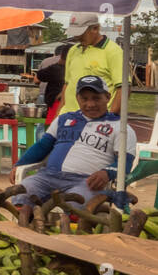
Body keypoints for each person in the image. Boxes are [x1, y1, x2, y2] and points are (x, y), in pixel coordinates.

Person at [9, 76, 136, 206]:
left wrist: (107, 173)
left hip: (85, 182)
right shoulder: (63, 119)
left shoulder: (120, 127)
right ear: (77, 98)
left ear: (108, 97)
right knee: (21, 194)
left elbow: (125, 161)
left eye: (96, 98)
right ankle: (25, 223)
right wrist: (20, 164)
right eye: (84, 99)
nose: (90, 104)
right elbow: (42, 146)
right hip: (47, 177)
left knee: (75, 205)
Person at [61, 20, 123, 115]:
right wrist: (59, 114)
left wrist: (110, 116)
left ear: (95, 28)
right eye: (75, 33)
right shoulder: (73, 50)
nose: (77, 37)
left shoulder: (113, 51)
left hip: (97, 117)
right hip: (68, 117)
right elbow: (67, 84)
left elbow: (122, 88)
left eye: (81, 33)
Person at [36, 43, 69, 124]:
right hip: (69, 104)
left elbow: (39, 76)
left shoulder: (55, 67)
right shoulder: (74, 68)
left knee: (50, 127)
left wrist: (59, 63)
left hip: (55, 102)